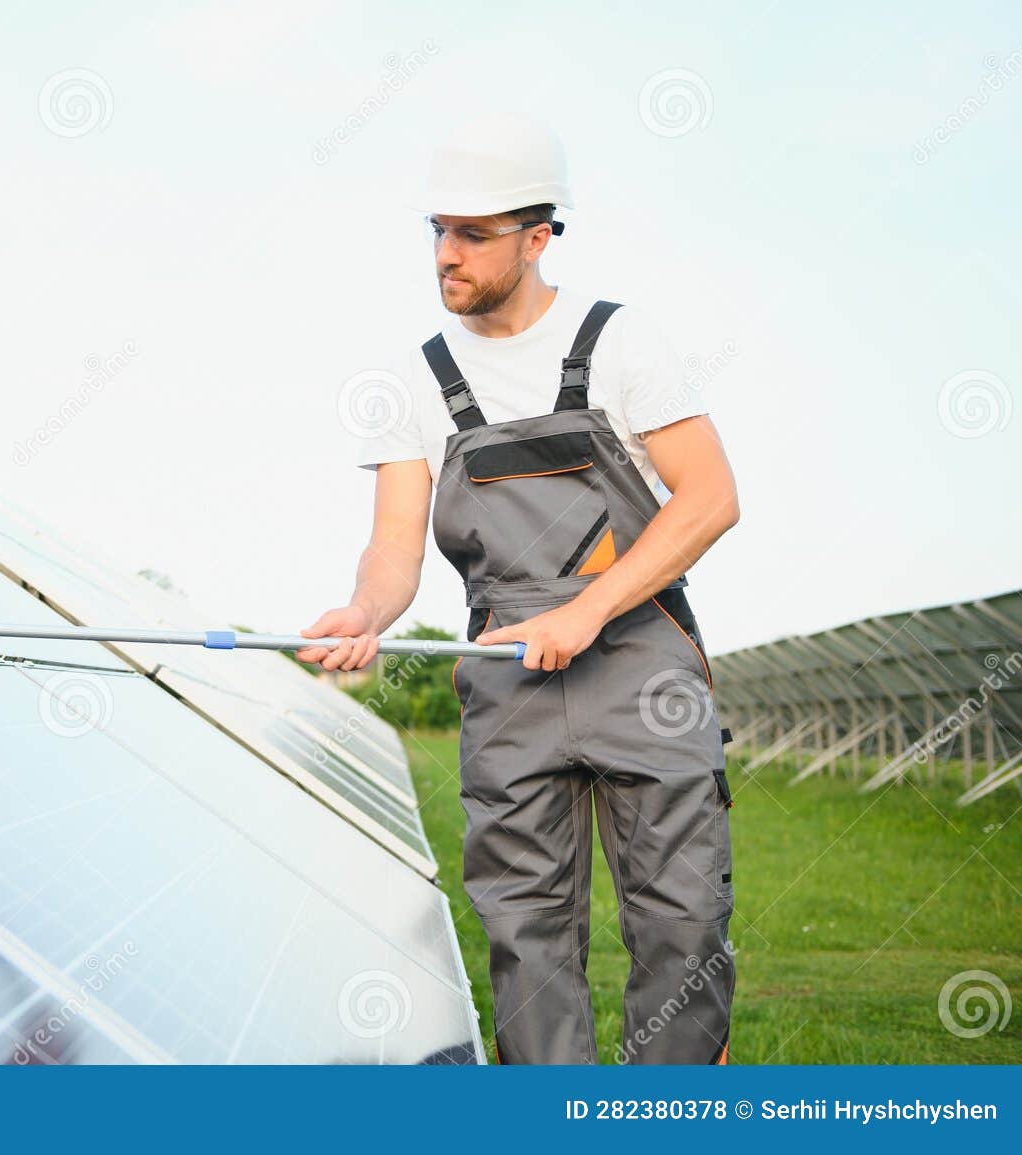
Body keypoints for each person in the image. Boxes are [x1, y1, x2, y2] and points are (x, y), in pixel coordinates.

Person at [298, 114, 740, 1064]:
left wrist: (587, 609)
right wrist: (365, 611)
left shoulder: (620, 342)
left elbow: (710, 499)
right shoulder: (416, 380)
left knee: (683, 927)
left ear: (537, 237)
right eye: (437, 230)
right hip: (506, 680)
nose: (445, 254)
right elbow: (393, 549)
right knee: (525, 938)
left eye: (472, 233)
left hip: (642, 669)